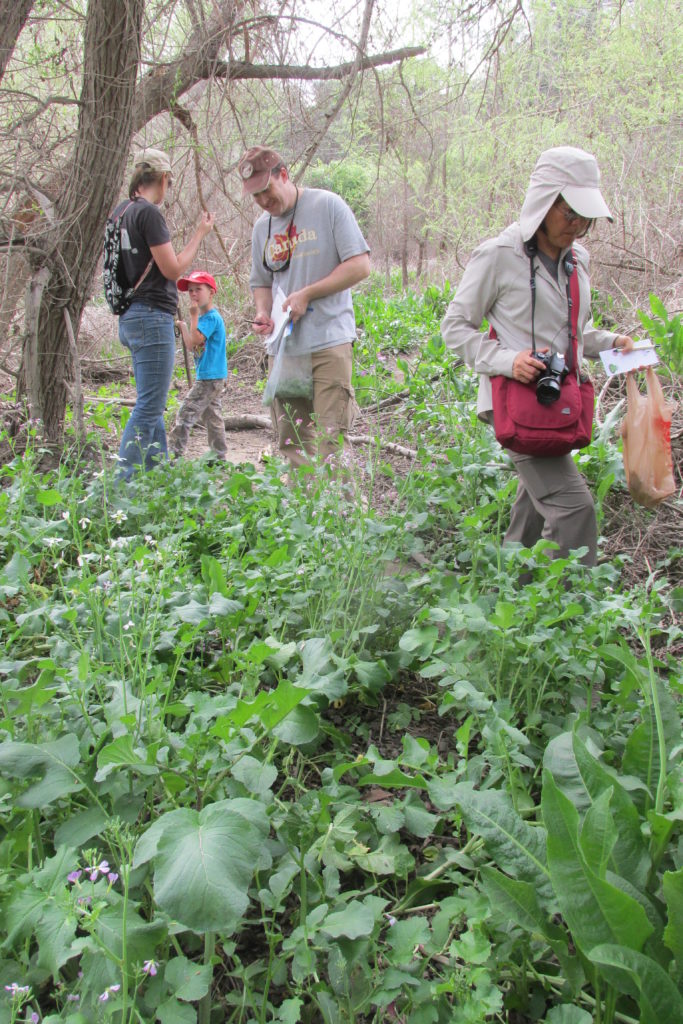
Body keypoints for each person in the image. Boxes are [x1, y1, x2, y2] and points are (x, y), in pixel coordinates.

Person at [441, 146, 634, 568]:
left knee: (533, 505)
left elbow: (571, 333)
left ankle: (511, 590)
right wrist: (507, 360)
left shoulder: (576, 259)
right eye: (570, 214)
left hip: (556, 402)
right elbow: (454, 328)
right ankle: (566, 615)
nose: (578, 226)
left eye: (587, 219)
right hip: (515, 403)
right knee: (573, 510)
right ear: (544, 203)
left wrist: (610, 341)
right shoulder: (498, 255)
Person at [239, 146, 370, 472]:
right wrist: (263, 313)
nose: (263, 201)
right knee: (292, 438)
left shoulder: (328, 205)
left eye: (266, 191)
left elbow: (360, 265)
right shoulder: (262, 229)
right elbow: (262, 282)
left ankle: (340, 515)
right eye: (255, 197)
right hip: (285, 349)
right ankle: (305, 514)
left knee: (331, 438)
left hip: (329, 340)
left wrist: (308, 294)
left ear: (283, 174)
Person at [113, 148, 215, 480]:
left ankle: (157, 479)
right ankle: (120, 488)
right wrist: (200, 234)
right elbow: (172, 269)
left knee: (152, 403)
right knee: (149, 408)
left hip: (129, 318)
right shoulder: (149, 213)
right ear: (163, 179)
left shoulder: (120, 212)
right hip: (151, 316)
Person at [170, 271, 228, 461]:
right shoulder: (203, 319)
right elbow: (189, 344)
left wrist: (193, 316)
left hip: (210, 377)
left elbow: (195, 340)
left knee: (185, 413)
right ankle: (219, 457)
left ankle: (174, 456)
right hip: (209, 375)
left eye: (198, 290)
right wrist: (183, 326)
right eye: (190, 291)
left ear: (211, 292)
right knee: (212, 417)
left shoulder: (211, 318)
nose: (193, 294)